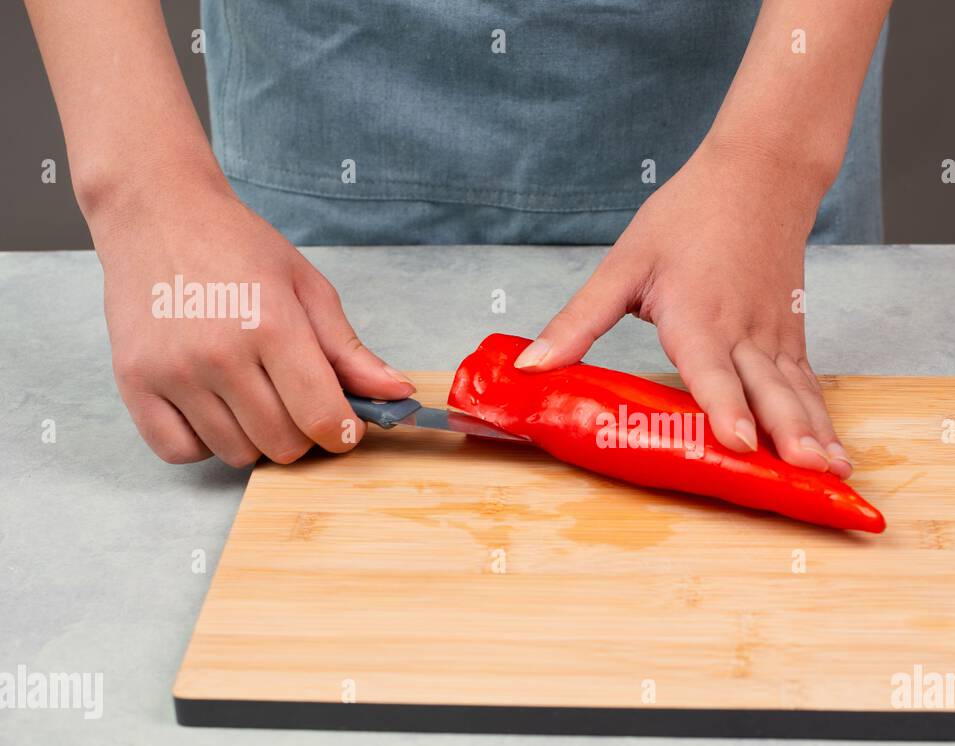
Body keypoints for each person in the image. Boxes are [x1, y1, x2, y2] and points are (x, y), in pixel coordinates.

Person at [27, 0, 889, 479]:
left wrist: (773, 159)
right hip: (319, 103)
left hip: (764, 89)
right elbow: (144, 191)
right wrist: (143, 188)